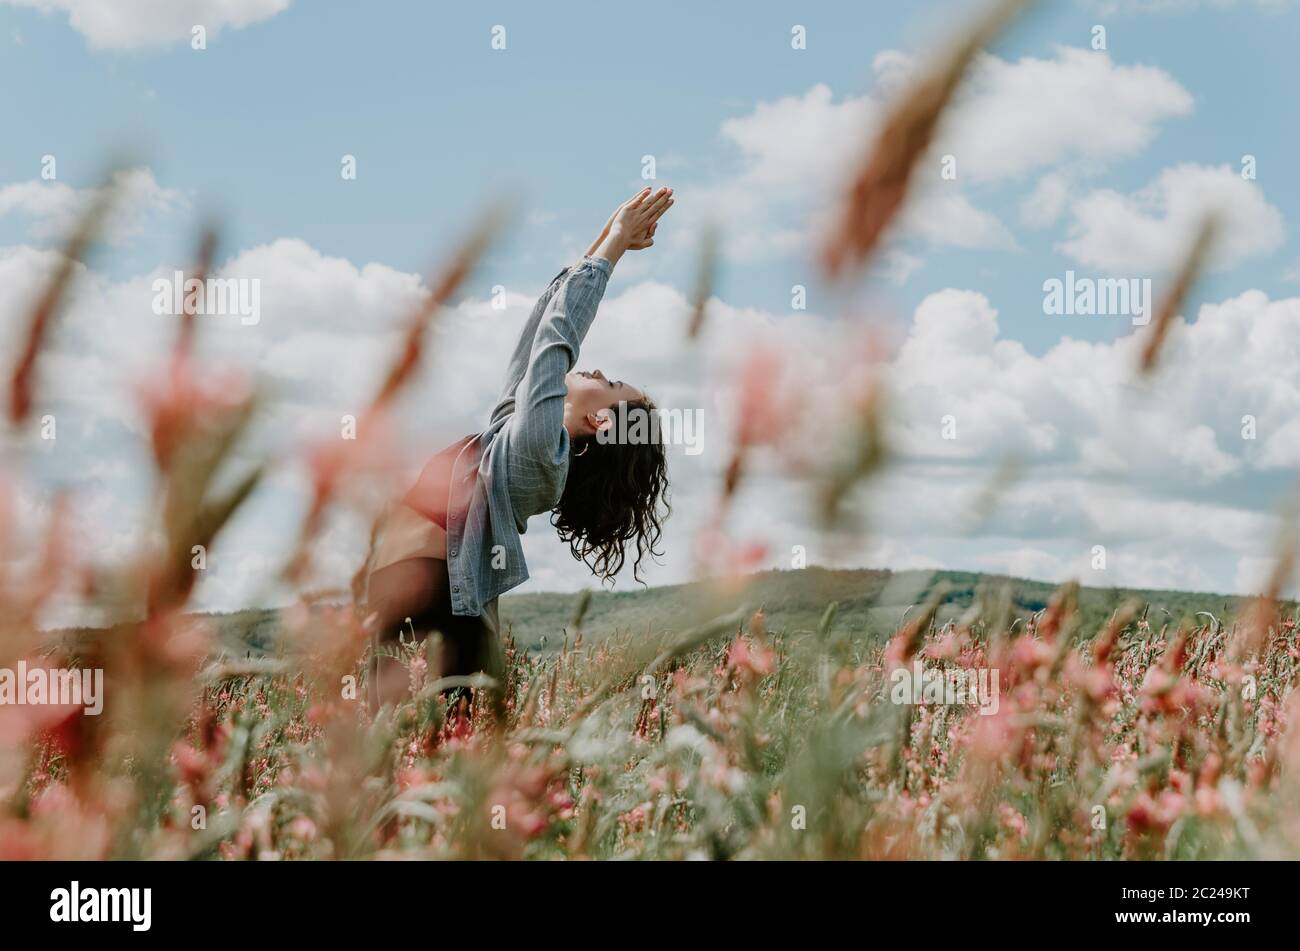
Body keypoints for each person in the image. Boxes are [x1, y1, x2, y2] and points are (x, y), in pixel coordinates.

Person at [361, 186, 675, 713]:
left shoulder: (539, 460)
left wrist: (615, 249)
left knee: (424, 769)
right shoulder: (512, 435)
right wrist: (606, 234)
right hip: (411, 606)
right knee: (404, 769)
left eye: (613, 382)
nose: (597, 370)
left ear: (602, 422)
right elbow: (540, 329)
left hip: (439, 615)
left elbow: (557, 340)